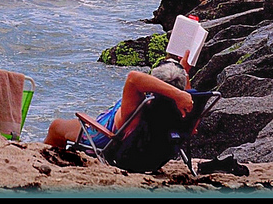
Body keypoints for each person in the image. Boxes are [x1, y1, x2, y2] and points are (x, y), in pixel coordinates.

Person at [44, 51, 194, 149]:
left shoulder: (139, 106)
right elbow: (185, 96)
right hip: (153, 152)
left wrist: (177, 94)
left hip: (106, 139)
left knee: (56, 126)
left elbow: (133, 78)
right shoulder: (184, 109)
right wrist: (184, 73)